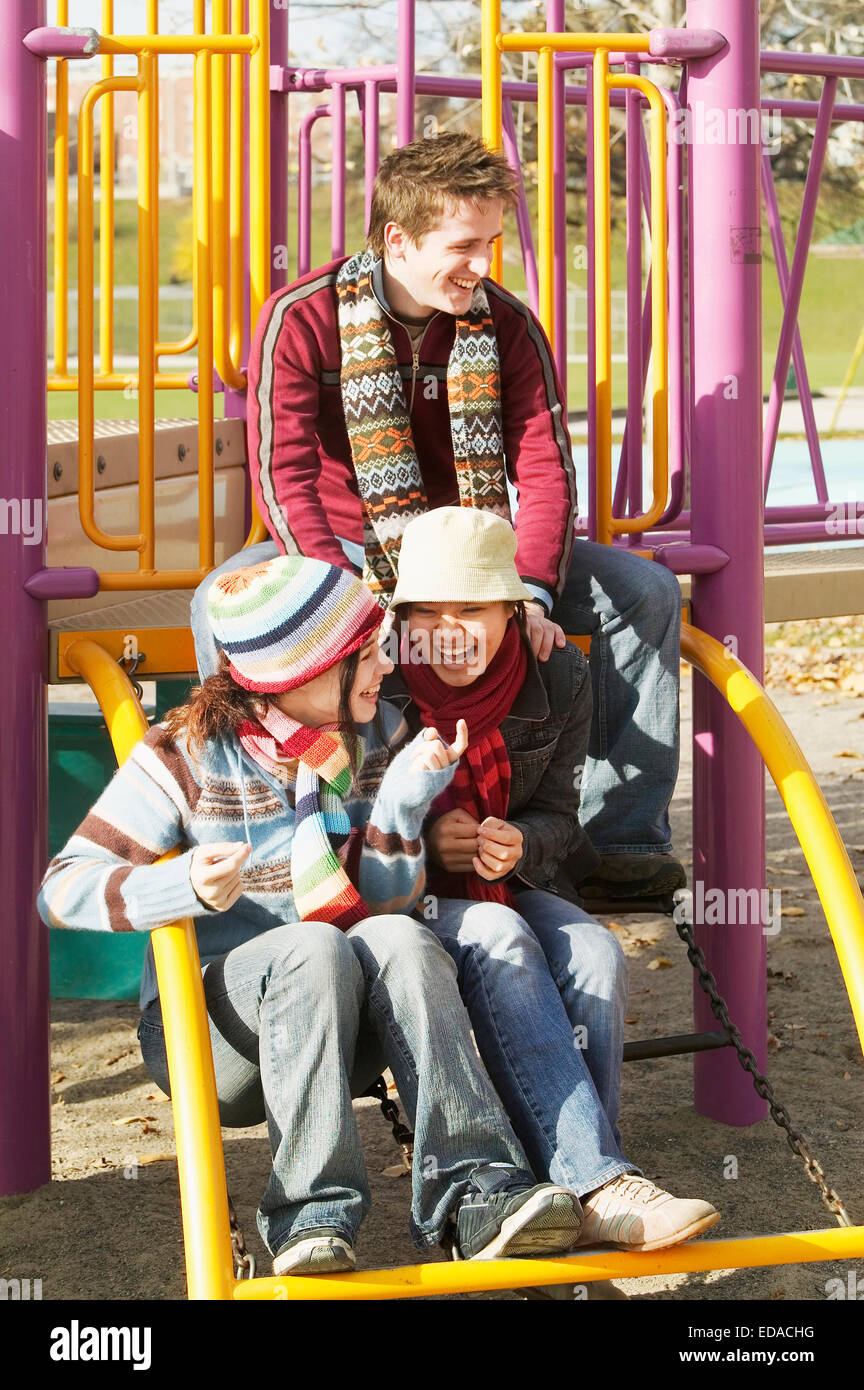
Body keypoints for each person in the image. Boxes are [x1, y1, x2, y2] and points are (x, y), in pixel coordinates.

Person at [37, 554, 584, 1276]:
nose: (385, 666)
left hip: (336, 1022)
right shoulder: (187, 753)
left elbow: (386, 904)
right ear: (303, 669)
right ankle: (311, 1214)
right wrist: (181, 888)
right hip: (214, 1038)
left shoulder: (377, 735)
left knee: (393, 931)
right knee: (313, 947)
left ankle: (478, 1190)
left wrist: (401, 806)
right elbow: (61, 888)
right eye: (365, 654)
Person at [243, 130, 685, 902]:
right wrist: (345, 600)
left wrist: (528, 593)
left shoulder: (504, 324)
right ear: (397, 239)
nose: (482, 266)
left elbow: (544, 466)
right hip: (353, 544)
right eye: (462, 245)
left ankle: (619, 840)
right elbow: (286, 476)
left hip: (481, 551)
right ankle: (284, 844)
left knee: (641, 594)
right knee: (221, 604)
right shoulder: (304, 318)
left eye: (491, 243)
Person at [385, 506, 720, 1255]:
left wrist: (521, 841)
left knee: (594, 953)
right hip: (398, 896)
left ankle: (578, 1190)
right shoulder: (375, 680)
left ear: (514, 609)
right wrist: (423, 837)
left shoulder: (556, 672)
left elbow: (561, 815)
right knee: (501, 935)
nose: (451, 629)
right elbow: (338, 818)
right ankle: (596, 1181)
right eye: (428, 612)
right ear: (401, 616)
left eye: (472, 608)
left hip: (505, 881)